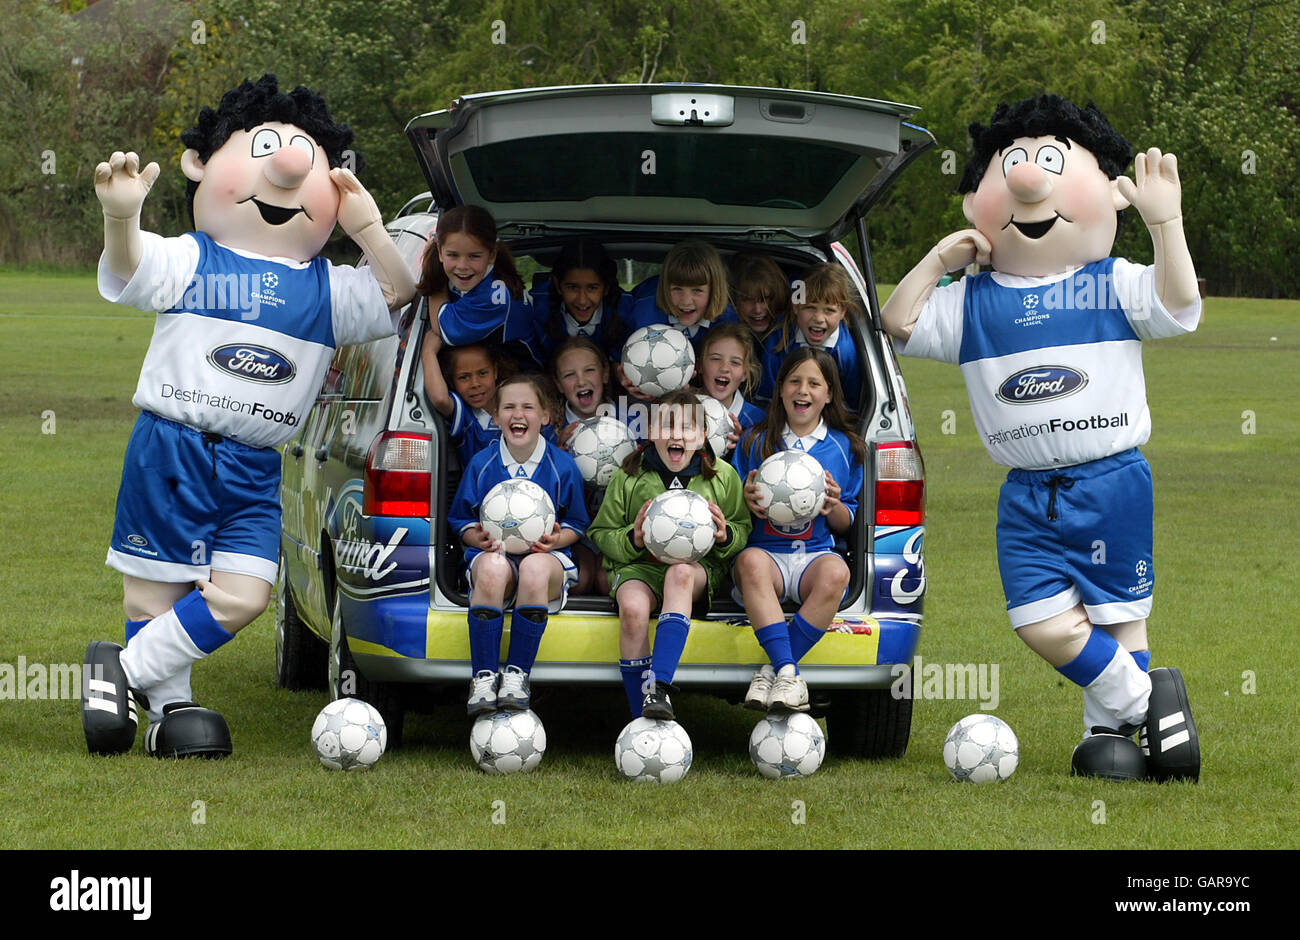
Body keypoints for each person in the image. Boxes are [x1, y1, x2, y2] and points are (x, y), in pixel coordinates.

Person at [81, 74, 415, 757]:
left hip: (254, 463)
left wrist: (369, 229)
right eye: (265, 148)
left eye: (305, 157)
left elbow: (400, 290)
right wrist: (121, 218)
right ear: (203, 165)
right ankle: (171, 711)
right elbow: (130, 267)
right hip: (172, 444)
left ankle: (121, 674)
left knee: (245, 593)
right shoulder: (191, 258)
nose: (288, 167)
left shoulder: (328, 288)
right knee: (157, 597)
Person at [880, 94, 1201, 781]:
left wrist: (1165, 223)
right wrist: (940, 258)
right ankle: (1149, 703)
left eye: (1051, 162)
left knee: (1116, 619)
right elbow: (897, 321)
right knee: (1041, 623)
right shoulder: (974, 301)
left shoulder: (1108, 284)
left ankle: (1107, 742)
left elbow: (1177, 308)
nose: (1028, 179)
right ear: (976, 201)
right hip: (1027, 495)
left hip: (1109, 478)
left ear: (1110, 196)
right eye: (1013, 163)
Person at [587, 390, 750, 720]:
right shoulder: (629, 475)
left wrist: (724, 536)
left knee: (681, 573)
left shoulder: (723, 476)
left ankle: (658, 686)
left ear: (702, 436)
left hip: (697, 569)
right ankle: (640, 719)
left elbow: (742, 528)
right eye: (667, 425)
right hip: (639, 568)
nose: (676, 435)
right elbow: (600, 533)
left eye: (688, 427)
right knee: (632, 609)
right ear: (651, 433)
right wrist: (632, 539)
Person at [732, 349, 866, 713]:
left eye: (813, 383)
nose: (802, 390)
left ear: (829, 395)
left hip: (815, 555)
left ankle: (774, 670)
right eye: (794, 381)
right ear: (779, 391)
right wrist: (744, 499)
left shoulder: (844, 447)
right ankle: (789, 671)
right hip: (769, 556)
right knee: (749, 563)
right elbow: (734, 510)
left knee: (838, 572)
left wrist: (835, 505)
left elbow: (848, 522)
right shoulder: (755, 441)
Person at [447, 375, 588, 716]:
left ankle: (516, 675)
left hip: (545, 559)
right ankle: (482, 676)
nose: (517, 414)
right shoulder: (482, 465)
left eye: (528, 407)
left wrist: (557, 539)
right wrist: (475, 537)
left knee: (534, 568)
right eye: (508, 407)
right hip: (495, 555)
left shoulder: (562, 466)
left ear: (546, 416)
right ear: (495, 417)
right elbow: (460, 519)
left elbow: (579, 524)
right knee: (493, 570)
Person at [419, 205, 543, 371]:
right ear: (440, 252)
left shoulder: (495, 296)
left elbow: (442, 327)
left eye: (474, 256)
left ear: (492, 255)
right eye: (453, 255)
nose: (462, 266)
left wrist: (433, 278)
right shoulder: (475, 279)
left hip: (523, 382)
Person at [551, 336, 625, 595]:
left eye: (589, 370)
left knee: (608, 583)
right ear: (559, 385)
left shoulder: (630, 422)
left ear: (605, 374)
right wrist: (555, 460)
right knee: (580, 581)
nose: (581, 381)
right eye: (570, 375)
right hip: (574, 532)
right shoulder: (550, 431)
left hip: (617, 528)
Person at [617, 240, 737, 398]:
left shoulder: (727, 321)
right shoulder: (644, 312)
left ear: (714, 291)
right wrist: (622, 376)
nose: (686, 301)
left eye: (697, 290)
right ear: (665, 288)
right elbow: (615, 355)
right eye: (677, 289)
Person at [758, 262, 863, 410]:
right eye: (810, 307)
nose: (819, 318)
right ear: (796, 307)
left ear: (843, 312)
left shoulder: (846, 353)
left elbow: (850, 405)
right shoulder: (779, 340)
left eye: (829, 310)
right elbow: (766, 399)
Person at [531, 240, 632, 363]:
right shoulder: (534, 308)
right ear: (558, 285)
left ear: (606, 288)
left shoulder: (626, 311)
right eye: (572, 287)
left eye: (592, 288)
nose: (582, 300)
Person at [421, 333, 509, 468]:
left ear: (495, 371)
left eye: (483, 373)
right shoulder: (464, 414)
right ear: (451, 381)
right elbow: (440, 399)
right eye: (464, 377)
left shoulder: (514, 402)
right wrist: (429, 352)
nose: (475, 384)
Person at [694, 322, 766, 460]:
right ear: (700, 366)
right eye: (715, 359)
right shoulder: (680, 407)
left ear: (745, 373)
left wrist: (743, 444)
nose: (724, 368)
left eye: (735, 362)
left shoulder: (757, 420)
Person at [728, 251, 790, 345]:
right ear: (734, 300)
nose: (757, 310)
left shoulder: (792, 335)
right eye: (748, 300)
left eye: (765, 299)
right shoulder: (723, 334)